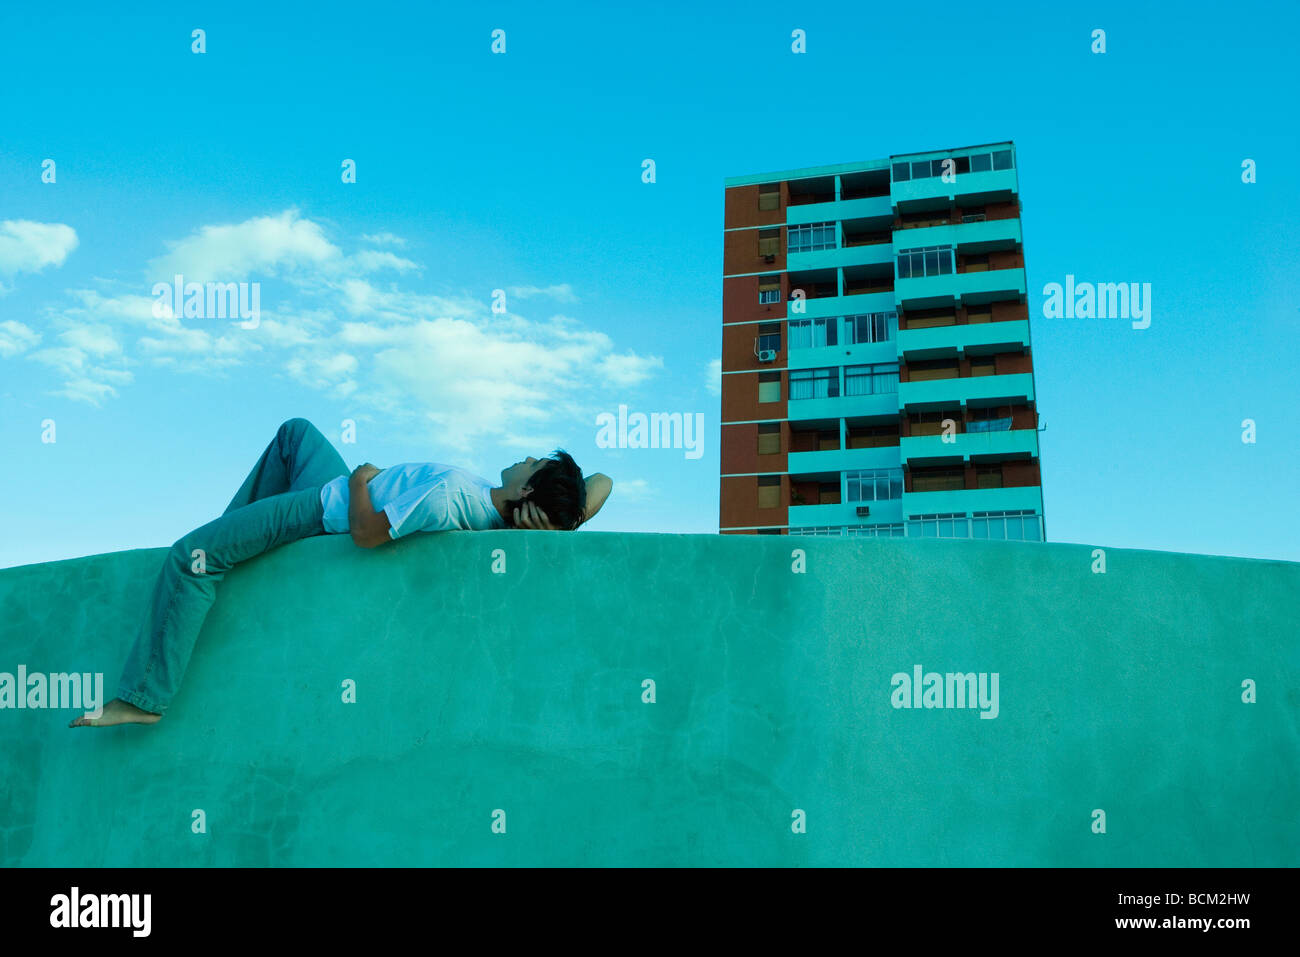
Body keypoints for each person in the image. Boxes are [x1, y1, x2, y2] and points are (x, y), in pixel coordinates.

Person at [70, 417, 612, 728]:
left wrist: (359, 479)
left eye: (534, 462)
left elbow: (368, 534)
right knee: (295, 434)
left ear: (525, 489)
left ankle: (144, 699)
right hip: (324, 490)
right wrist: (562, 521)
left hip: (321, 509)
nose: (524, 456)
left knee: (192, 558)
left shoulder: (450, 497)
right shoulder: (493, 510)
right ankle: (235, 530)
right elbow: (603, 482)